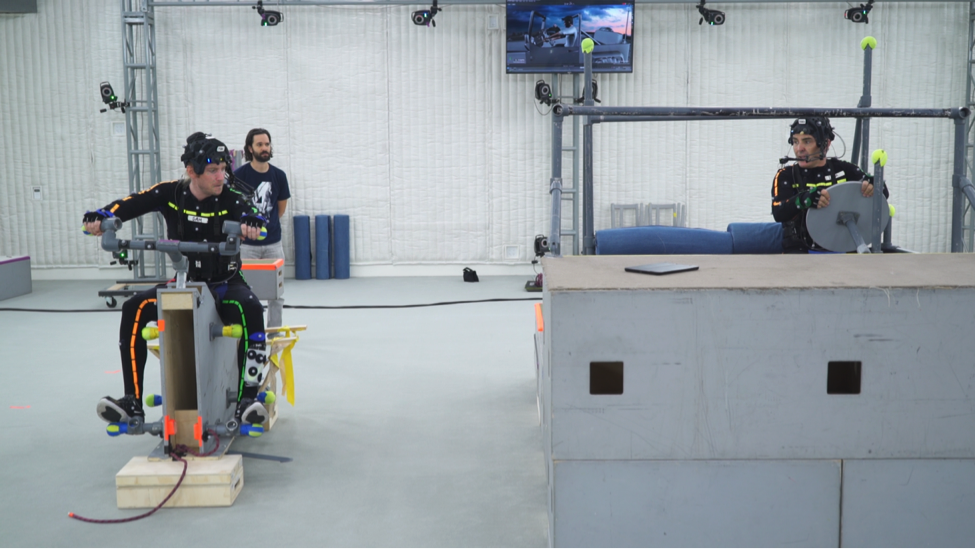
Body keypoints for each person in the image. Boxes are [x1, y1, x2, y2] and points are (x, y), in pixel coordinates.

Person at [83, 132, 271, 427]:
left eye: (224, 169)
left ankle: (247, 401)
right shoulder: (170, 193)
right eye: (213, 170)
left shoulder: (231, 198)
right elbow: (131, 202)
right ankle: (132, 402)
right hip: (185, 281)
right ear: (192, 171)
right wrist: (103, 215)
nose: (221, 176)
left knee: (252, 309)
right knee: (133, 308)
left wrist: (251, 223)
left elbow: (251, 214)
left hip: (225, 283)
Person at [771, 116, 888, 252]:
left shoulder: (845, 170)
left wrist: (874, 185)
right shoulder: (785, 174)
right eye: (795, 142)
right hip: (800, 253)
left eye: (807, 141)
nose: (799, 149)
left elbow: (883, 194)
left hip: (844, 250)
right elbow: (778, 212)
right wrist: (804, 199)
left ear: (826, 144)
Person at [233, 128, 290, 333]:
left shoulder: (279, 176)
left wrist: (268, 226)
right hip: (247, 246)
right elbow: (234, 209)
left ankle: (273, 332)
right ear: (250, 148)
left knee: (277, 293)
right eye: (260, 144)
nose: (264, 148)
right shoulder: (239, 176)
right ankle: (251, 331)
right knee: (245, 290)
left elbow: (280, 208)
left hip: (273, 244)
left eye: (267, 144)